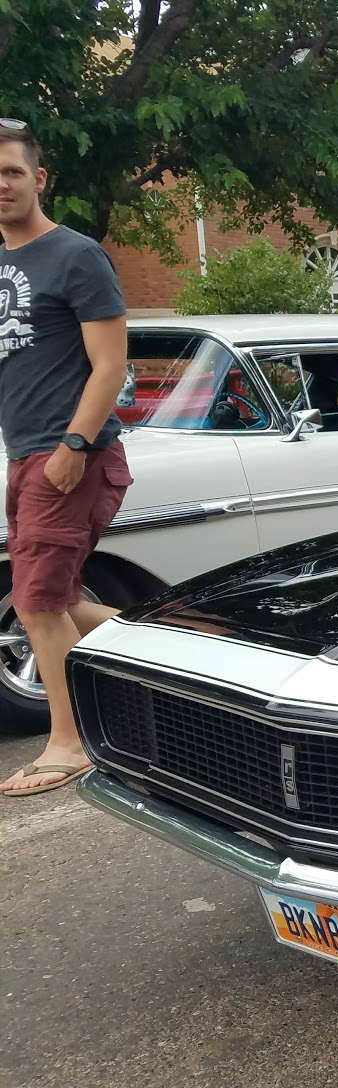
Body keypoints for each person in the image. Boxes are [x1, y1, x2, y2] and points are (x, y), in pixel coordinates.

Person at [0, 119, 132, 795]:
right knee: (53, 599)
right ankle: (170, 654)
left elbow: (111, 365)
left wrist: (74, 446)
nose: (2, 185)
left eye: (12, 172)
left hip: (70, 453)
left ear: (38, 179)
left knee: (37, 602)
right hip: (25, 456)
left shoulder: (75, 255)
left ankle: (68, 742)